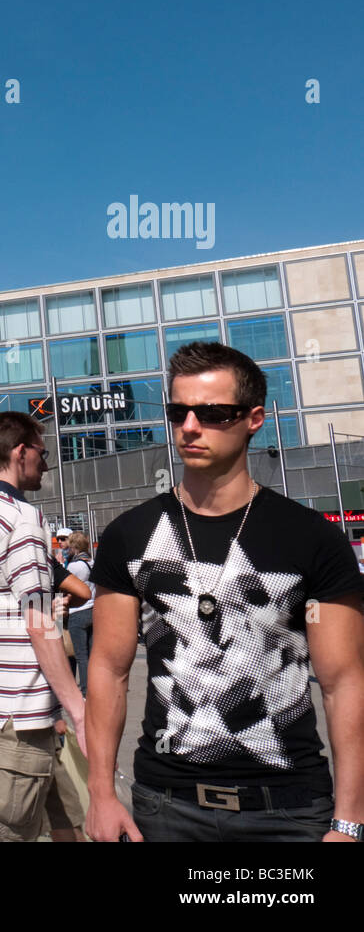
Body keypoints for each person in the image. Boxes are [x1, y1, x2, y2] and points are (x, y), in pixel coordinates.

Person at [86, 342, 364, 843]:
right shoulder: (129, 534)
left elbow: (343, 682)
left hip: (289, 810)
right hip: (165, 806)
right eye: (179, 411)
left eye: (213, 413)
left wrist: (349, 822)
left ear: (253, 418)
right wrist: (101, 795)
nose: (190, 427)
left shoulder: (312, 538)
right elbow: (108, 667)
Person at [0, 411, 86, 842]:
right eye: (43, 455)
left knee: (66, 819)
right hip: (20, 718)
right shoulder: (21, 519)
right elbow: (38, 619)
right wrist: (78, 709)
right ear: (20, 452)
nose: (46, 465)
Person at [63, 532, 95, 696]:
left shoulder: (74, 566)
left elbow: (64, 587)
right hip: (92, 610)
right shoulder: (92, 563)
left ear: (74, 547)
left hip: (77, 611)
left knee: (80, 655)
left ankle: (85, 691)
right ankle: (93, 688)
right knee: (90, 654)